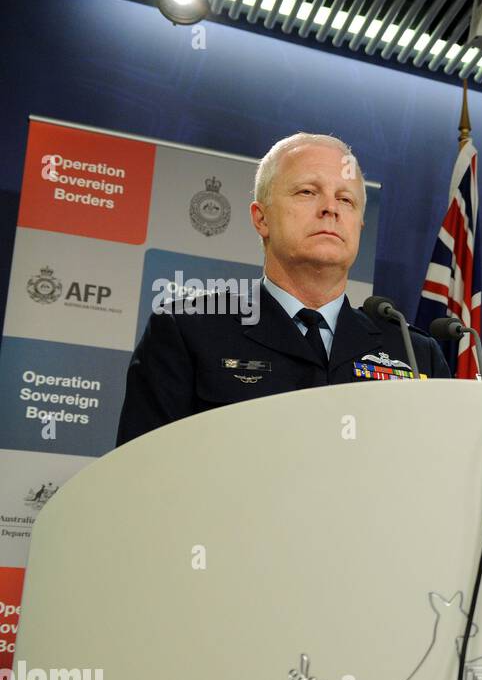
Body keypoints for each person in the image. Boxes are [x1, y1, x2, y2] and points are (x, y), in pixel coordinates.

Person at [116, 132, 450, 446]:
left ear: (359, 225)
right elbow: (143, 480)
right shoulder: (188, 330)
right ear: (261, 219)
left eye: (346, 199)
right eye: (307, 192)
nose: (330, 208)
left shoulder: (415, 354)